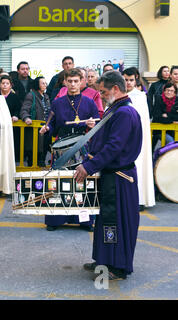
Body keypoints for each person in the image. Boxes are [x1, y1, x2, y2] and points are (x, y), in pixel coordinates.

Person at [76, 71, 143, 281]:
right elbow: (105, 140)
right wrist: (91, 155)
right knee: (106, 221)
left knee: (114, 222)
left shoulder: (124, 113)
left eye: (103, 91)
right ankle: (104, 260)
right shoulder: (116, 109)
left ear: (116, 88)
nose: (101, 95)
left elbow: (114, 147)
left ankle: (117, 266)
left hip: (119, 178)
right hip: (112, 175)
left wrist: (89, 166)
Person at [40, 68, 99, 232]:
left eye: (76, 81)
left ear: (81, 82)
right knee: (58, 182)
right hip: (61, 146)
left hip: (82, 144)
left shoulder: (89, 102)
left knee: (83, 183)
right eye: (69, 81)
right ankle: (55, 220)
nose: (73, 84)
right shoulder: (57, 102)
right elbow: (51, 123)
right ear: (65, 82)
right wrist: (46, 128)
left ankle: (85, 221)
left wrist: (92, 125)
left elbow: (96, 122)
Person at [122, 67, 155, 211]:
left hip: (137, 138)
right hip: (122, 138)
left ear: (136, 80)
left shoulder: (140, 97)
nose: (128, 83)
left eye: (131, 80)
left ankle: (140, 198)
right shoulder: (119, 95)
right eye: (125, 80)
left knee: (139, 167)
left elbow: (142, 121)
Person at [19, 76, 51, 167]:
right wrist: (26, 118)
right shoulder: (31, 95)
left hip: (46, 128)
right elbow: (24, 110)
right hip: (34, 129)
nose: (45, 85)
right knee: (34, 155)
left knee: (43, 153)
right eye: (43, 83)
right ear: (37, 85)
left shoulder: (46, 96)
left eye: (46, 83)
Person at [151, 82, 177, 146]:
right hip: (159, 130)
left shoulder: (177, 101)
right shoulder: (159, 99)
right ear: (164, 91)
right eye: (167, 90)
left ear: (175, 93)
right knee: (171, 142)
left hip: (173, 130)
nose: (169, 92)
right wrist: (172, 121)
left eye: (171, 91)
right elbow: (157, 117)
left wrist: (167, 115)